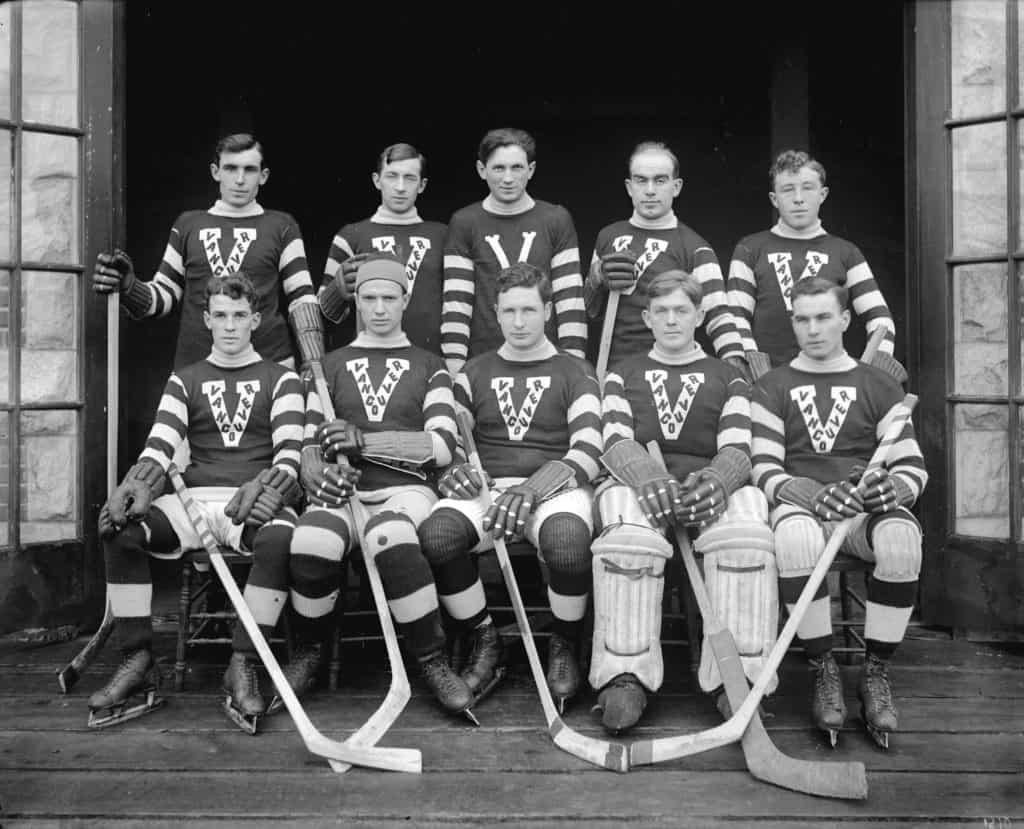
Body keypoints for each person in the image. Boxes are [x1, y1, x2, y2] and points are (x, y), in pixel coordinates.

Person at [88, 273, 305, 733]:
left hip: (249, 502)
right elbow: (159, 445)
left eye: (239, 316)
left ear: (256, 320)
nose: (230, 326)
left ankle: (243, 662)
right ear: (206, 319)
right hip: (192, 500)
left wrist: (274, 487)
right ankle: (138, 657)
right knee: (119, 526)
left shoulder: (282, 380)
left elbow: (289, 454)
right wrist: (140, 480)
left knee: (283, 537)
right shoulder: (184, 380)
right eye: (221, 316)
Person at [590, 270, 776, 734]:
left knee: (748, 526)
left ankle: (738, 677)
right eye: (662, 312)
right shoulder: (622, 373)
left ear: (699, 314)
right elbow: (613, 441)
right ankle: (624, 673)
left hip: (703, 487)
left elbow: (738, 447)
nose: (672, 320)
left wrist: (717, 480)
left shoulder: (728, 377)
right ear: (648, 317)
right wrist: (648, 477)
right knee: (627, 534)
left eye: (682, 311)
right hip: (640, 483)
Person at [284, 255, 471, 717]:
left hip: (406, 491)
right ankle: (309, 651)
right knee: (310, 539)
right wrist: (316, 468)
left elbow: (443, 444)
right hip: (344, 492)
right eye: (369, 298)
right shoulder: (329, 366)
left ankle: (431, 658)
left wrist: (363, 442)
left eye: (390, 298)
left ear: (406, 300)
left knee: (389, 535)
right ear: (357, 302)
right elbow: (309, 441)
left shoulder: (430, 365)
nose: (380, 308)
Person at [750, 276, 927, 749]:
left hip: (861, 511)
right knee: (795, 539)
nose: (813, 328)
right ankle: (823, 668)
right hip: (803, 508)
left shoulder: (880, 385)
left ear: (846, 319)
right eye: (803, 318)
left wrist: (882, 491)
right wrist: (812, 495)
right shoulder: (772, 386)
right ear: (792, 323)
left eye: (824, 316)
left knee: (902, 540)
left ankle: (875, 673)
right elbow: (764, 469)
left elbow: (912, 468)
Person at [420, 262, 602, 712]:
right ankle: (486, 638)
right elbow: (452, 446)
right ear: (496, 313)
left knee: (567, 540)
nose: (518, 322)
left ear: (549, 310)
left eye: (529, 310)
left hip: (555, 488)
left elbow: (588, 453)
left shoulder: (576, 372)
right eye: (509, 312)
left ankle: (563, 643)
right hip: (490, 486)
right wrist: (454, 473)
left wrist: (535, 489)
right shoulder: (471, 374)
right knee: (438, 535)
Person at [92, 132, 322, 370]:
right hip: (196, 369)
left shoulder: (282, 226)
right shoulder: (188, 225)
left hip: (271, 365)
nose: (240, 179)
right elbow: (165, 296)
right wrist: (130, 288)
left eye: (250, 170)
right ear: (216, 172)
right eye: (231, 168)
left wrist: (315, 363)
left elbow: (302, 299)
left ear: (263, 176)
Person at [728, 149, 901, 377]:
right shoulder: (750, 249)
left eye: (808, 188)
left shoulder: (846, 252)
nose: (798, 198)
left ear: (823, 194)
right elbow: (735, 315)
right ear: (774, 199)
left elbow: (880, 318)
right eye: (788, 189)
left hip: (831, 382)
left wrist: (869, 373)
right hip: (767, 383)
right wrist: (755, 370)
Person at [584, 141, 745, 372]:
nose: (650, 190)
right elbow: (590, 310)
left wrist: (735, 363)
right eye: (641, 180)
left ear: (676, 186)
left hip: (671, 374)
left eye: (660, 180)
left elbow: (718, 315)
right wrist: (596, 277)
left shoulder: (695, 247)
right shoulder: (608, 237)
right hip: (613, 373)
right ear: (629, 187)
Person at [440, 127, 587, 376]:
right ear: (481, 170)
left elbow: (569, 299)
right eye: (498, 168)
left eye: (517, 168)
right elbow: (457, 303)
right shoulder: (465, 222)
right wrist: (455, 369)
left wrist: (574, 367)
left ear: (530, 170)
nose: (508, 178)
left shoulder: (556, 219)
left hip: (547, 361)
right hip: (483, 362)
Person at [319, 142, 446, 355]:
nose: (400, 187)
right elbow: (323, 317)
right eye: (392, 176)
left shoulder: (444, 236)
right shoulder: (351, 236)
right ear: (377, 181)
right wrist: (336, 292)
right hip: (370, 361)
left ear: (422, 185)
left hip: (433, 360)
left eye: (409, 178)